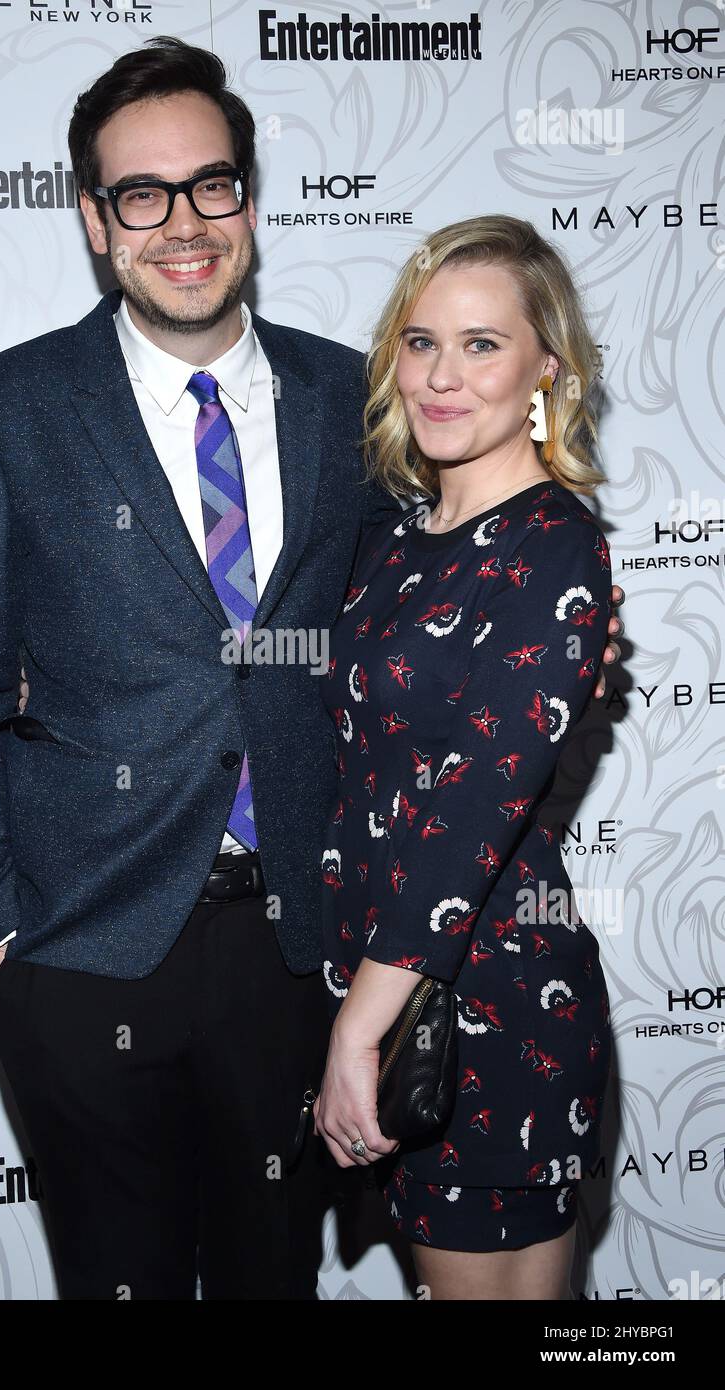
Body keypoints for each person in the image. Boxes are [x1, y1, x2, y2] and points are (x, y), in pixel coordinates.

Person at [0, 38, 623, 1301]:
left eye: (212, 185)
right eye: (142, 193)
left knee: (269, 1284)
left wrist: (567, 631)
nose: (182, 223)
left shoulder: (350, 397)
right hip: (80, 951)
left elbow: (449, 604)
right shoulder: (8, 407)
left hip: (305, 950)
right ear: (94, 217)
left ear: (249, 195)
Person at [314, 215, 615, 1302]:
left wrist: (359, 1028)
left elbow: (471, 809)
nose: (443, 376)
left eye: (482, 344)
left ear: (547, 369)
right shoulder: (392, 542)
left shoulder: (553, 544)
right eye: (421, 340)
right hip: (396, 998)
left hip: (489, 1008)